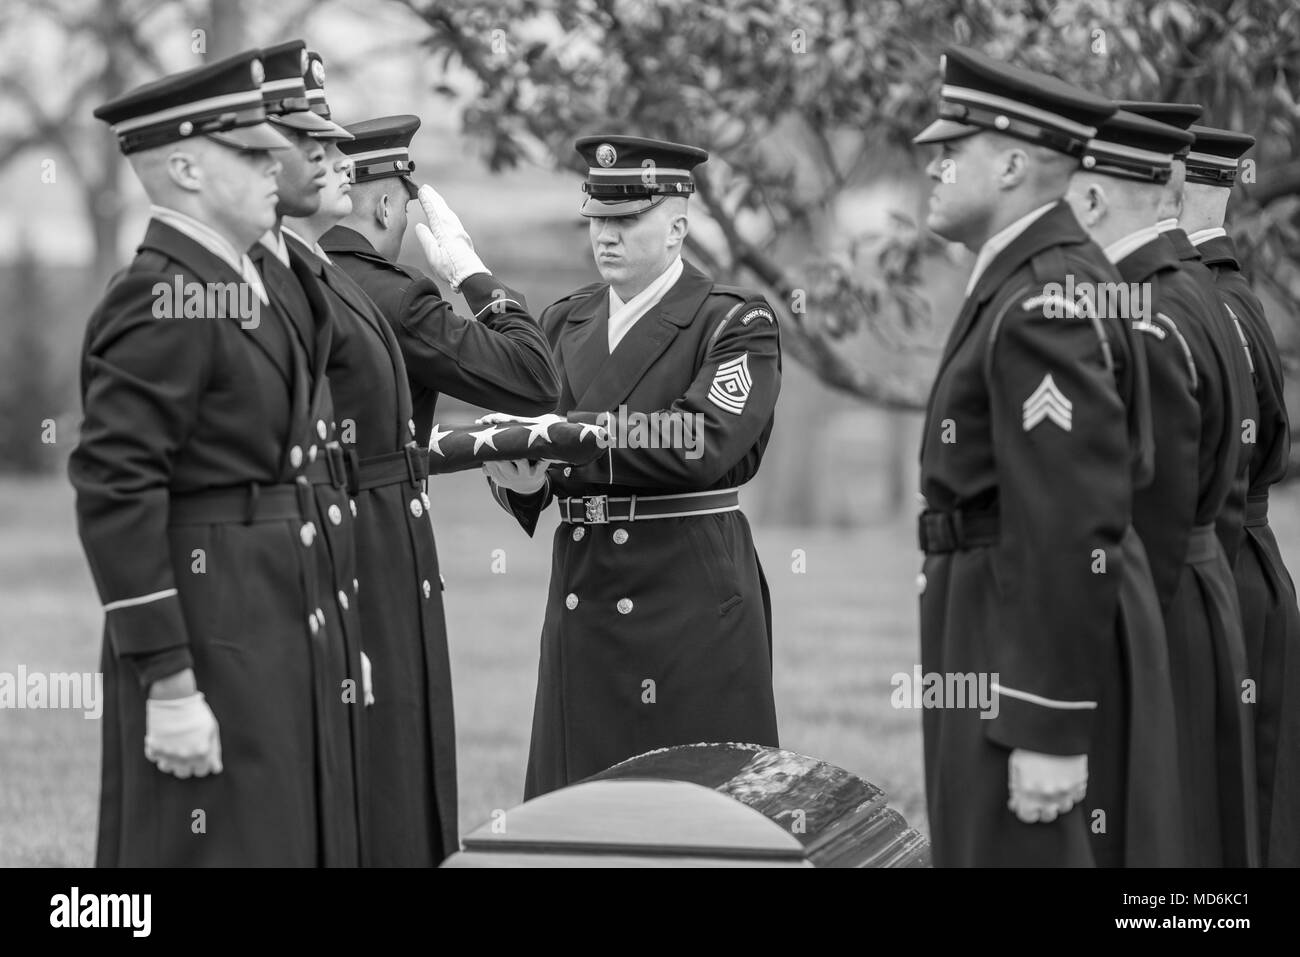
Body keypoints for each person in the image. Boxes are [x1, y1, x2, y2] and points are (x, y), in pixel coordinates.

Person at [71, 49, 364, 866]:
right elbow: (115, 488)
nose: (278, 163)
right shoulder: (164, 293)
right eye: (252, 151)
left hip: (270, 627)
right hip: (210, 633)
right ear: (188, 167)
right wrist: (165, 677)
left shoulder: (244, 283)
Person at [912, 48, 1180, 866]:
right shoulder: (1032, 281)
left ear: (1016, 165)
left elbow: (1071, 516)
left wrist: (1047, 723)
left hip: (1017, 649)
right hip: (999, 624)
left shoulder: (1043, 299)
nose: (934, 168)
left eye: (951, 152)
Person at [482, 134, 782, 799]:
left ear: (678, 225)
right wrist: (526, 480)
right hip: (585, 588)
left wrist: (570, 434)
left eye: (626, 220)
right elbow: (538, 443)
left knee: (698, 814)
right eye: (597, 219)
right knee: (580, 813)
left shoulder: (733, 321)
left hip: (690, 598)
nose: (606, 235)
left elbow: (700, 439)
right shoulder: (563, 321)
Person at [281, 54, 462, 866]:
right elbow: (536, 379)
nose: (331, 159)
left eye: (334, 144)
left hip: (370, 551)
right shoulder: (387, 289)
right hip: (351, 557)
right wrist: (469, 271)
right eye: (305, 142)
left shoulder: (322, 271)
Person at [1066, 108, 1257, 866]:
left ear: (1099, 193)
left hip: (1162, 597)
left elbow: (1153, 509)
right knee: (1198, 825)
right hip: (1199, 585)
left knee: (1154, 836)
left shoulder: (1148, 308)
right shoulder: (1195, 288)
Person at [1181, 123, 1300, 866]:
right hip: (1254, 566)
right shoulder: (1237, 296)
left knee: (1225, 820)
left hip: (1220, 567)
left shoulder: (1197, 305)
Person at [319, 115, 559, 444]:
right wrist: (475, 277)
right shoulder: (399, 299)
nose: (404, 221)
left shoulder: (290, 266)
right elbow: (536, 380)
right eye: (405, 209)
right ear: (385, 209)